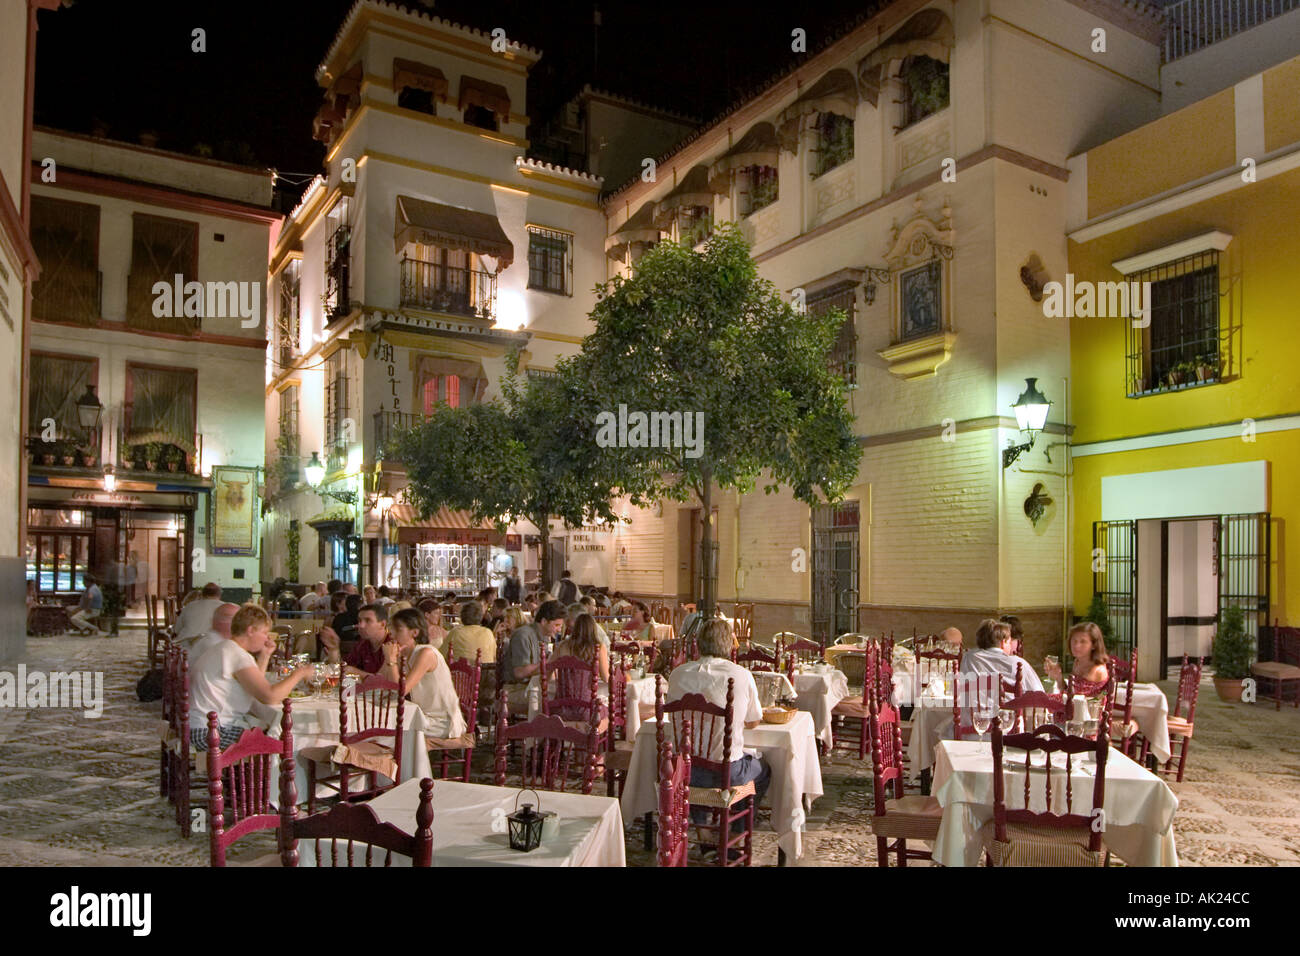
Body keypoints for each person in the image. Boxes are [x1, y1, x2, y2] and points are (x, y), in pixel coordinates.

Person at [667, 619, 770, 838]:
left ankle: (703, 829)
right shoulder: (740, 674)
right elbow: (753, 721)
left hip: (682, 772)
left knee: (691, 756)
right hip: (726, 775)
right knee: (763, 771)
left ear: (699, 643)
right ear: (728, 644)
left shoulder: (678, 674)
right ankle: (736, 830)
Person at [188, 603, 314, 751]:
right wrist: (299, 673)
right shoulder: (237, 655)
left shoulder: (226, 648)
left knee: (269, 733)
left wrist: (265, 654)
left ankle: (247, 774)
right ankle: (281, 774)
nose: (267, 638)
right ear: (251, 630)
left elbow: (255, 686)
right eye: (265, 633)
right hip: (210, 733)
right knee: (283, 743)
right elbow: (269, 696)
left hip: (200, 727)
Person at [379, 608, 467, 740]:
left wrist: (391, 661)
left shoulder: (426, 653)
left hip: (441, 722)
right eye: (392, 629)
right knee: (379, 723)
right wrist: (389, 659)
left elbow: (401, 691)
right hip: (422, 716)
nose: (392, 634)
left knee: (382, 729)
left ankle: (395, 760)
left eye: (398, 629)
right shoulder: (403, 654)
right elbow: (379, 679)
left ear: (414, 632)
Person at [957, 619, 1044, 721]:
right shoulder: (1018, 664)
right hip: (1008, 729)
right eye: (1009, 642)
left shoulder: (968, 658)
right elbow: (1039, 696)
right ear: (1003, 642)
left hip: (972, 727)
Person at [503, 600, 567, 713]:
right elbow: (519, 673)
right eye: (556, 625)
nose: (559, 630)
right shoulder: (523, 635)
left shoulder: (545, 637)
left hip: (535, 685)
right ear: (543, 621)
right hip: (515, 689)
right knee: (560, 700)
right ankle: (540, 729)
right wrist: (550, 662)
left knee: (568, 695)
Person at [1044, 621, 1110, 696]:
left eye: (1083, 641)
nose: (1076, 646)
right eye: (1074, 641)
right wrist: (1058, 676)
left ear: (1094, 645)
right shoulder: (1077, 662)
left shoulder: (1097, 670)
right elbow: (1068, 691)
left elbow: (1076, 699)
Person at [342, 604, 391, 675]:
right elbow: (345, 666)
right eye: (359, 621)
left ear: (382, 624)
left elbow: (385, 680)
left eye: (368, 621)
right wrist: (333, 650)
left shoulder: (392, 644)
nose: (361, 626)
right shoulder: (363, 643)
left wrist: (356, 672)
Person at [447, 600, 496, 665]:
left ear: (462, 616)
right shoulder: (488, 632)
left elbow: (441, 654)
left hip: (461, 673)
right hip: (485, 673)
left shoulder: (456, 632)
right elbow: (494, 656)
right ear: (481, 617)